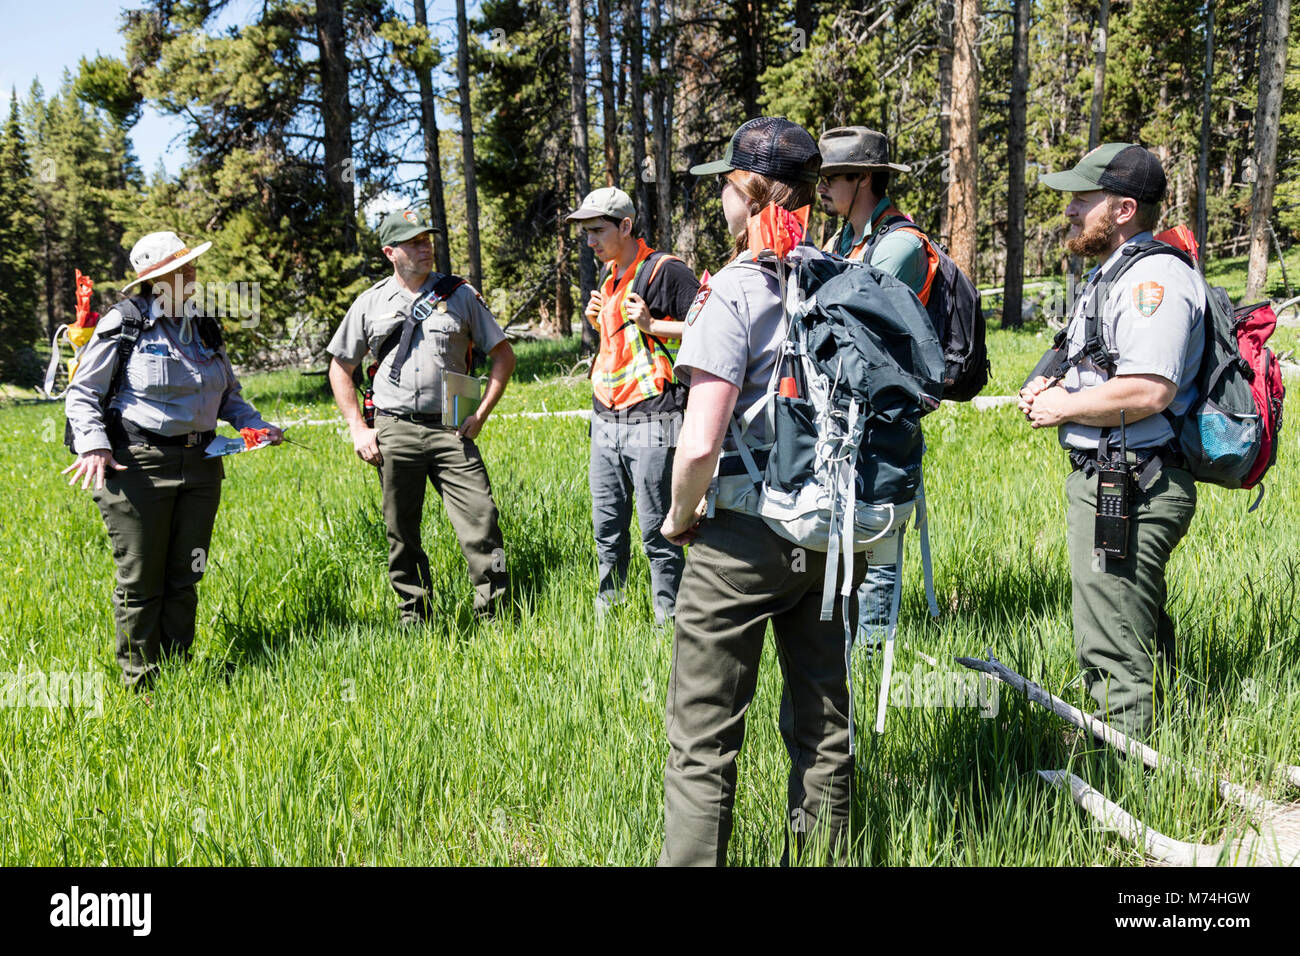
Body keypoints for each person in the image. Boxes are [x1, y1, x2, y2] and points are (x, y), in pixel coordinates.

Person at [658, 116, 865, 866]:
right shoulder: (842, 282)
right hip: (831, 535)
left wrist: (680, 518)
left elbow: (701, 441)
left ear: (744, 192)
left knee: (704, 735)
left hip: (742, 538)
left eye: (724, 182)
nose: (718, 195)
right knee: (822, 719)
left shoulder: (735, 293)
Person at [1019, 143, 1204, 740]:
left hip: (1133, 481)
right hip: (1118, 473)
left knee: (1110, 643)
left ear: (1123, 208)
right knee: (1131, 619)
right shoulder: (1118, 271)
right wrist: (1054, 379)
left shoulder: (1153, 279)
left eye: (1082, 198)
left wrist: (1061, 407)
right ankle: (1170, 743)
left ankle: (1121, 781)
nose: (1069, 210)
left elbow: (1150, 389)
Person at [63, 231, 284, 689]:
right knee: (142, 580)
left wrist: (254, 426)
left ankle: (178, 674)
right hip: (137, 465)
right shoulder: (123, 323)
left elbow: (229, 396)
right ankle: (141, 684)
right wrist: (94, 445)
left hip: (203, 464)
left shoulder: (204, 325)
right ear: (155, 280)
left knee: (188, 573)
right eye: (178, 271)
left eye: (190, 269)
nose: (190, 277)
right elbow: (82, 393)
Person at [326, 209, 515, 623]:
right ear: (390, 252)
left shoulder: (460, 295)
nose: (425, 248)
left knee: (482, 520)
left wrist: (480, 413)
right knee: (401, 530)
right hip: (393, 426)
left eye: (427, 240)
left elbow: (503, 356)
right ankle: (416, 616)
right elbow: (341, 367)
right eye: (414, 243)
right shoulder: (370, 303)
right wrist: (358, 427)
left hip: (454, 424)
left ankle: (497, 616)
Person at [817, 125, 935, 654]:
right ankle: (843, 655)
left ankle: (869, 660)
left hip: (886, 417)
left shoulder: (900, 245)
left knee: (881, 537)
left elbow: (846, 313)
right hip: (845, 409)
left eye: (831, 177)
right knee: (842, 532)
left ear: (862, 178)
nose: (819, 187)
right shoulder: (843, 240)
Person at [567, 186, 700, 624]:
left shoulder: (667, 270)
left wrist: (653, 323)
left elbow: (711, 329)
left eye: (597, 231)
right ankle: (608, 620)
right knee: (606, 528)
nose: (589, 242)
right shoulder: (608, 276)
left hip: (654, 415)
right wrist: (600, 320)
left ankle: (670, 623)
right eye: (584, 233)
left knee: (658, 529)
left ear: (626, 226)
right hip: (606, 417)